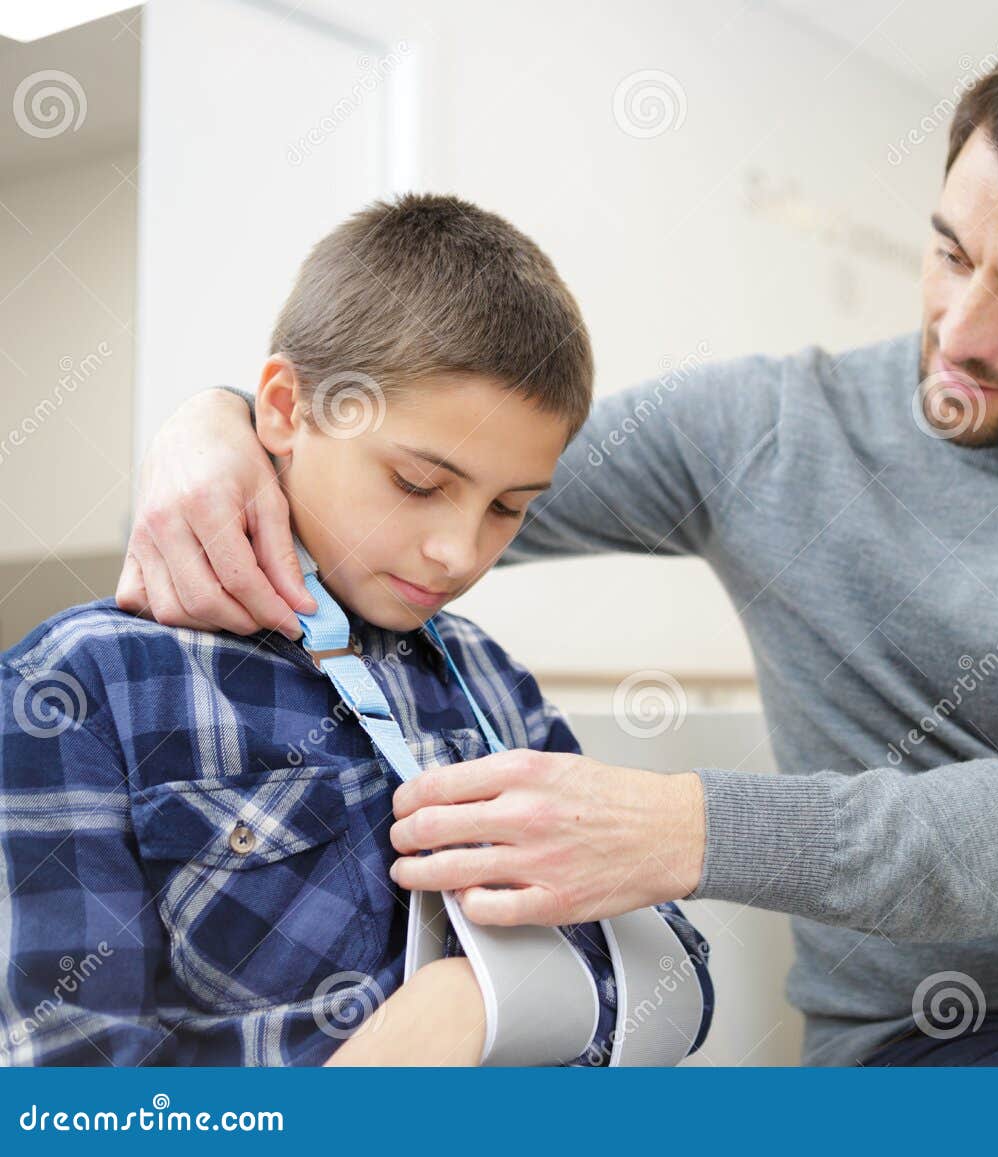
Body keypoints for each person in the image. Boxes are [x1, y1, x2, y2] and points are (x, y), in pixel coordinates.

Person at [117, 21, 998, 1066]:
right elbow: (425, 487)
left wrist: (690, 828)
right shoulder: (761, 428)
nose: (959, 326)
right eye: (948, 252)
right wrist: (220, 417)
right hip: (940, 1039)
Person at [0, 193, 711, 1066]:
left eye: (510, 509)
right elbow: (67, 1081)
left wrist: (473, 1005)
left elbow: (674, 969)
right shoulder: (85, 686)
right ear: (285, 410)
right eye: (418, 483)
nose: (458, 553)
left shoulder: (488, 682)